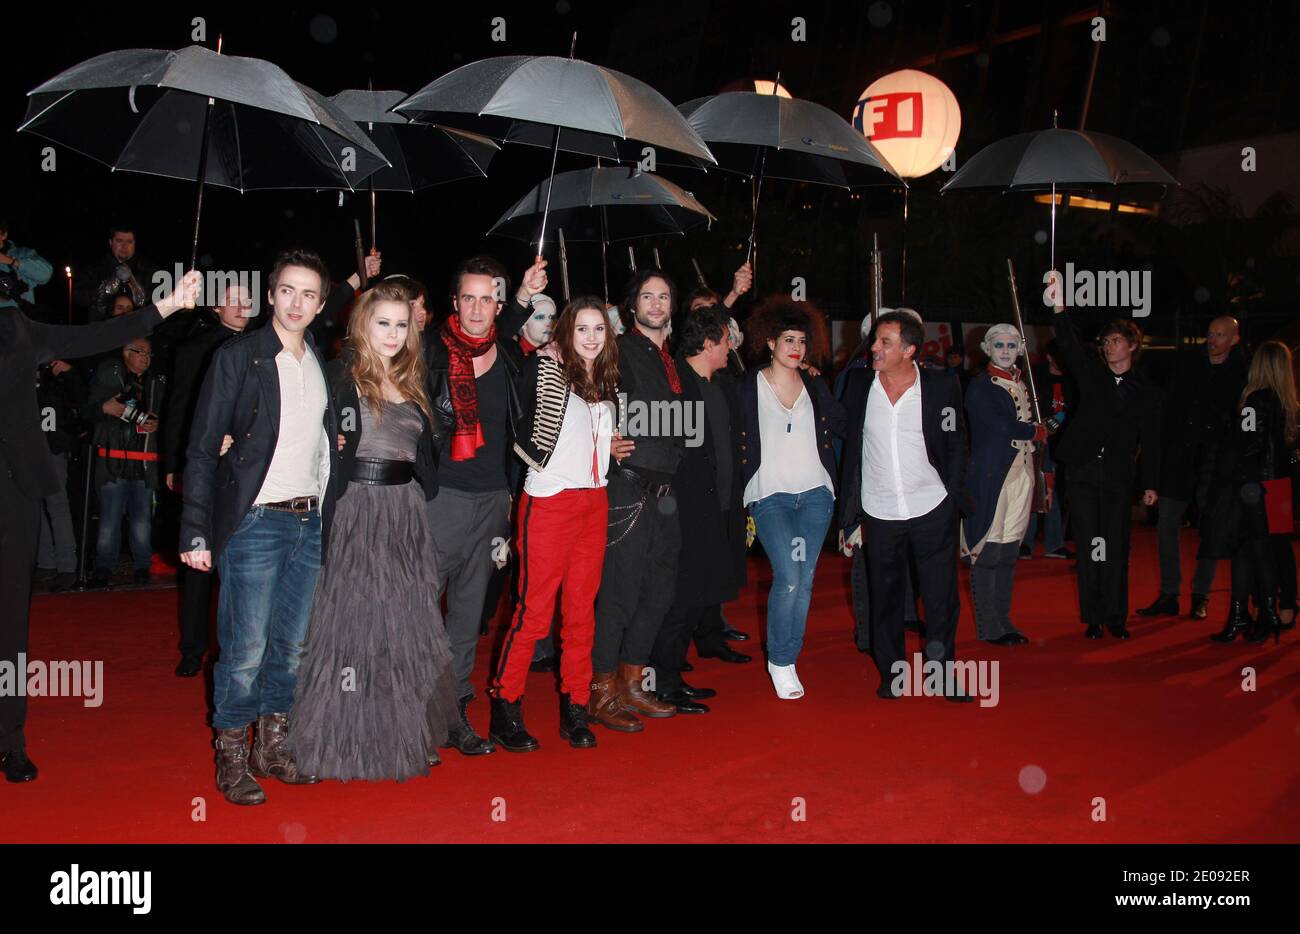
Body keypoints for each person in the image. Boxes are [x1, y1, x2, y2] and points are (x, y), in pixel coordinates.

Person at [1, 269, 200, 783]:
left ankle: (9, 738)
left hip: (12, 490)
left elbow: (91, 337)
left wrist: (167, 306)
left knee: (8, 627)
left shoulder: (15, 326)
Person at [180, 248, 339, 806]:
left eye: (309, 294)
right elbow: (201, 448)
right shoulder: (239, 356)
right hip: (254, 523)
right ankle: (231, 755)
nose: (297, 303)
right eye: (288, 290)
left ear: (321, 304)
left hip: (309, 523)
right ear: (271, 294)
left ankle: (273, 747)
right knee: (244, 649)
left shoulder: (322, 360)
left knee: (291, 648)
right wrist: (196, 532)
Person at [287, 281, 460, 779]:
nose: (391, 333)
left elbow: (427, 454)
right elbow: (303, 427)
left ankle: (407, 730)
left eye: (401, 324)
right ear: (363, 323)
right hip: (355, 508)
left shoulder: (414, 378)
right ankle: (334, 739)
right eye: (382, 322)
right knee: (349, 623)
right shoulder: (340, 375)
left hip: (404, 513)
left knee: (405, 624)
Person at [489, 297, 628, 750]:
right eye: (582, 328)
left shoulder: (606, 381)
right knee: (534, 614)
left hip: (594, 503)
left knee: (582, 615)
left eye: (599, 329)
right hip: (548, 502)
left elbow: (587, 442)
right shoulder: (543, 367)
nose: (590, 337)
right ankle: (505, 706)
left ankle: (575, 707)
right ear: (565, 333)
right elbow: (516, 409)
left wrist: (606, 449)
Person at [424, 254, 547, 756]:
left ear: (498, 305)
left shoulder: (510, 355)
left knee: (470, 617)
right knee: (421, 614)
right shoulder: (430, 351)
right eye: (467, 298)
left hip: (494, 501)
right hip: (439, 500)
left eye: (486, 299)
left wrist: (523, 291)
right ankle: (418, 717)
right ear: (454, 303)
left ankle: (454, 713)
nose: (477, 309)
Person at [838, 310, 969, 701]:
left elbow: (957, 444)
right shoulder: (859, 384)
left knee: (940, 597)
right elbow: (841, 434)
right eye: (875, 340)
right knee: (886, 597)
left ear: (910, 350)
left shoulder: (942, 386)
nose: (874, 348)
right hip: (879, 511)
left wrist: (954, 499)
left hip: (931, 505)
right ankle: (892, 672)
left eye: (885, 342)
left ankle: (941, 673)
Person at [588, 268, 688, 730]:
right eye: (647, 296)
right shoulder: (619, 350)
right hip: (627, 487)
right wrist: (601, 439)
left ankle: (631, 683)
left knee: (659, 592)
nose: (656, 303)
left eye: (663, 296)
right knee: (619, 594)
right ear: (632, 306)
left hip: (667, 492)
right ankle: (601, 691)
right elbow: (589, 395)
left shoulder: (671, 358)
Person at [738, 297, 844, 699]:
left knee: (805, 579)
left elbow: (841, 423)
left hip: (815, 494)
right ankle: (781, 660)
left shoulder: (815, 383)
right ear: (769, 342)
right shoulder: (748, 384)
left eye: (801, 340)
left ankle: (787, 658)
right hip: (770, 496)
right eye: (787, 339)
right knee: (788, 578)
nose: (795, 347)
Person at [1049, 277, 1162, 640]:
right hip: (1083, 470)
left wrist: (1151, 484)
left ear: (1132, 345)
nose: (1108, 346)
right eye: (1106, 341)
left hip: (1117, 475)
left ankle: (1116, 615)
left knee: (1115, 546)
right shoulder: (1092, 375)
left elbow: (1152, 440)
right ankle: (1094, 617)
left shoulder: (1145, 391)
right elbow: (1068, 344)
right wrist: (1059, 307)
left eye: (1115, 341)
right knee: (1088, 545)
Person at [648, 305, 748, 711]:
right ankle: (664, 681)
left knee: (699, 595)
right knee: (679, 598)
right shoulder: (676, 383)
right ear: (709, 343)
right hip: (682, 511)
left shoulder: (722, 385)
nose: (731, 348)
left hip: (720, 508)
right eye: (726, 340)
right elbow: (656, 443)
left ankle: (672, 673)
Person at [163, 283, 254, 677]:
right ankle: (192, 648)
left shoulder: (264, 346)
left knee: (244, 565)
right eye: (233, 300)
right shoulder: (195, 348)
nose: (241, 307)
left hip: (250, 472)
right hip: (206, 469)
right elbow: (179, 408)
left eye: (246, 300)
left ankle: (236, 649)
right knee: (199, 563)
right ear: (217, 306)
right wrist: (173, 465)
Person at [1138, 316, 1246, 621]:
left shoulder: (1242, 373)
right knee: (1166, 525)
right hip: (1179, 459)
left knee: (1211, 529)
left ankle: (1201, 595)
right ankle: (1169, 594)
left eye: (1220, 335)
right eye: (1210, 334)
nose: (1212, 340)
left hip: (1215, 463)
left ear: (1234, 340)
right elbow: (1168, 410)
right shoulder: (1187, 365)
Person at [1201, 341, 1296, 645]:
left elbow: (1246, 444)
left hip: (1253, 487)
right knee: (1262, 553)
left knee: (1249, 553)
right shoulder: (1288, 404)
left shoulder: (1255, 401)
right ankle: (1256, 613)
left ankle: (1254, 615)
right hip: (1278, 489)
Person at [961, 324, 1049, 646]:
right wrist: (1033, 432)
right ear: (988, 348)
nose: (1005, 350)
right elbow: (1000, 426)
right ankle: (989, 627)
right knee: (987, 550)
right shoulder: (981, 386)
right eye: (999, 345)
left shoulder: (1023, 384)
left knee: (1009, 550)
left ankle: (1003, 620)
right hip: (991, 477)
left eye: (1012, 345)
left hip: (1022, 475)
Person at [86, 335, 164, 587]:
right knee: (109, 518)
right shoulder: (111, 376)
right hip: (113, 463)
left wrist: (156, 422)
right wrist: (140, 416)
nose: (145, 357)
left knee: (142, 519)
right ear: (125, 352)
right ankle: (104, 567)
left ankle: (142, 566)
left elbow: (163, 415)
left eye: (149, 353)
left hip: (144, 464)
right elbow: (106, 407)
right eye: (139, 351)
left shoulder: (156, 383)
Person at [1020, 339, 1076, 559]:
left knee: (1055, 492)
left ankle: (1054, 542)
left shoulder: (1072, 380)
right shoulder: (1036, 378)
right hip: (1039, 440)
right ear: (1050, 357)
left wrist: (1060, 420)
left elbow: (1074, 409)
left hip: (1065, 443)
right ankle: (1026, 541)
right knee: (1036, 486)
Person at [75, 224, 160, 322]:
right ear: (111, 243)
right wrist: (103, 290)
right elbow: (78, 297)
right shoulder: (95, 269)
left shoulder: (147, 269)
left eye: (129, 242)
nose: (124, 246)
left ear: (134, 244)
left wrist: (137, 290)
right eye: (119, 241)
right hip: (102, 329)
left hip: (136, 330)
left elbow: (159, 301)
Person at [0, 217, 53, 311]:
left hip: (17, 321)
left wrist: (12, 261)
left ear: (4, 235)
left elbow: (45, 274)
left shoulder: (22, 254)